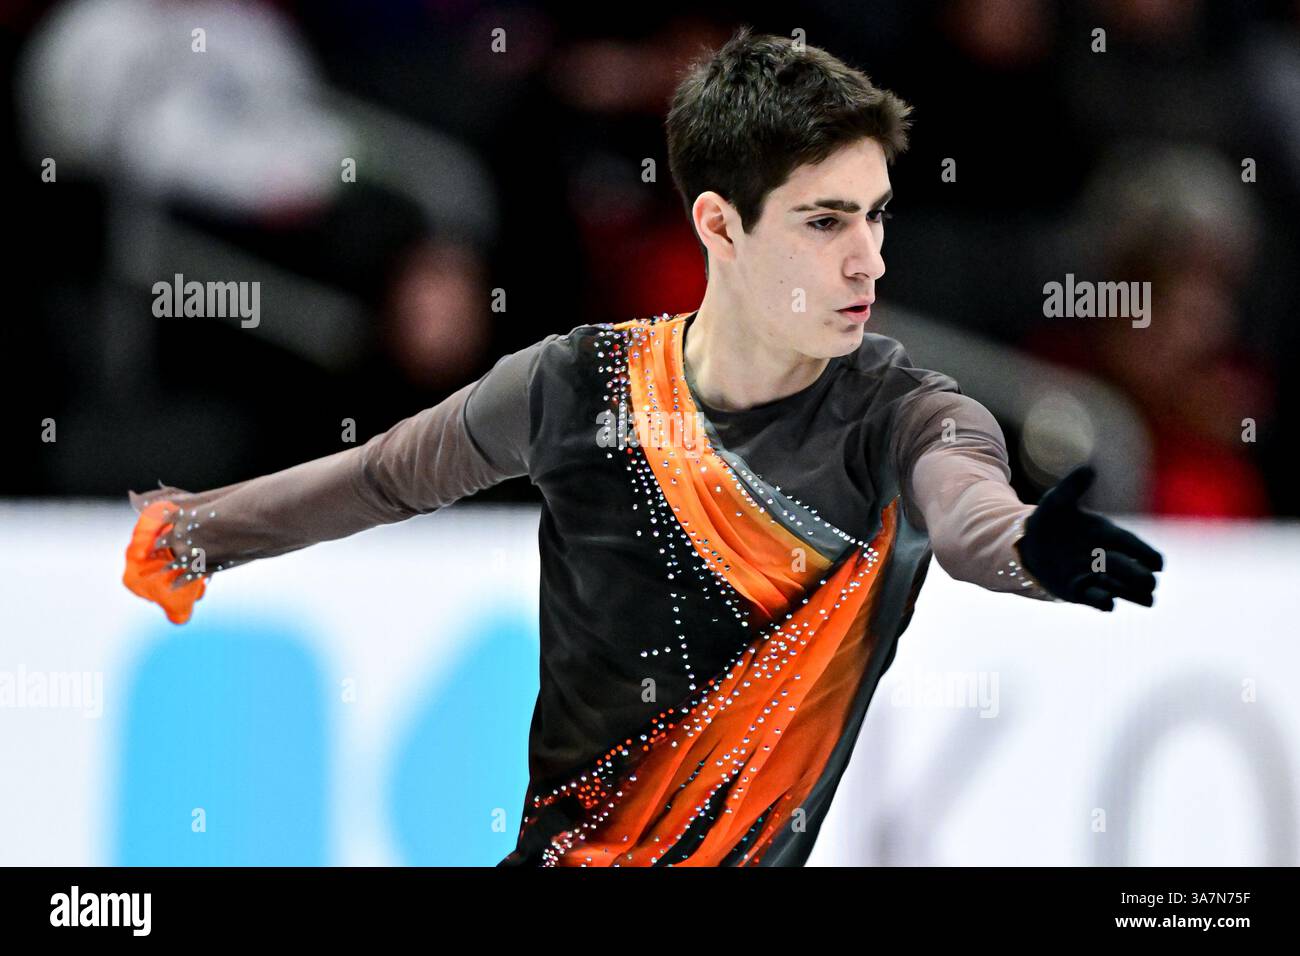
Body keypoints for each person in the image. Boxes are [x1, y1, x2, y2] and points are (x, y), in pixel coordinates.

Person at [121, 27, 1163, 867]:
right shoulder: (578, 385)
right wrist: (201, 531)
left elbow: (968, 505)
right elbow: (387, 474)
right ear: (720, 226)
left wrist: (1026, 544)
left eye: (877, 218)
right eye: (825, 221)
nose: (867, 258)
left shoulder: (907, 414)